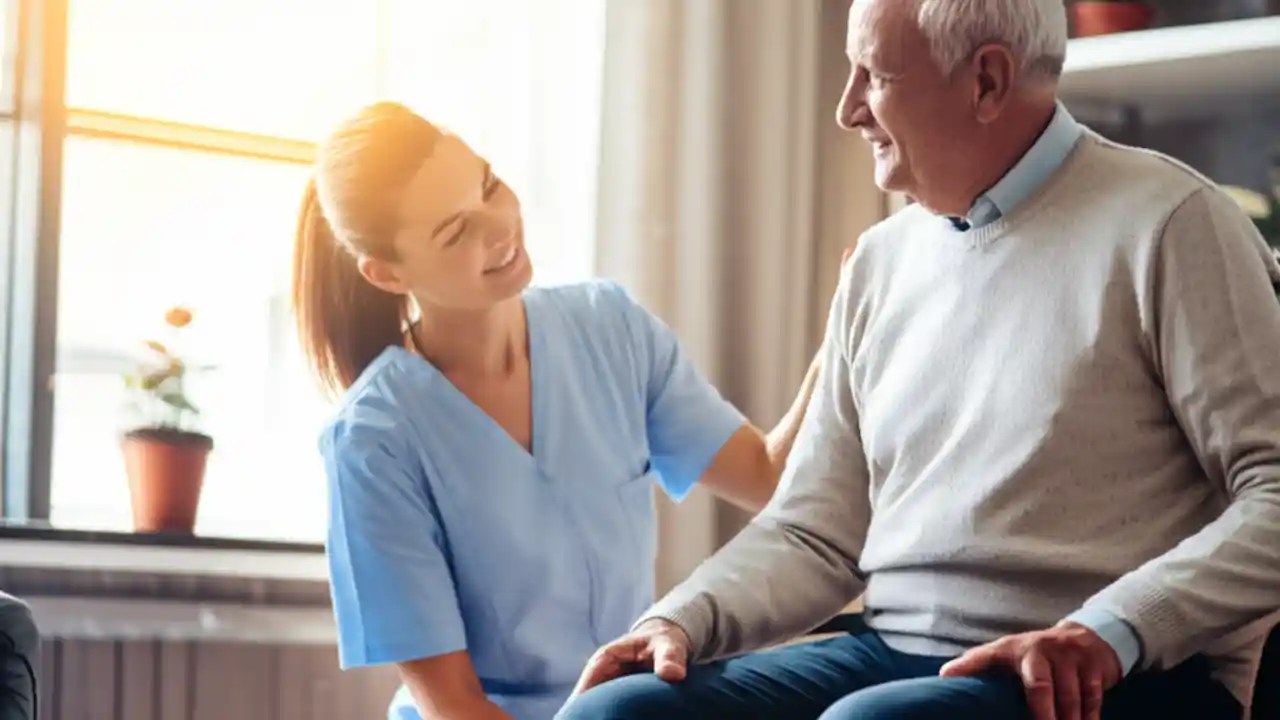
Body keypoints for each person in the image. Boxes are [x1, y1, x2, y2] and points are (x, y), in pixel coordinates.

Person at [560, 0, 1280, 719]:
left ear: (986, 81)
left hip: (1111, 674)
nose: (847, 110)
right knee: (617, 712)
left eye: (874, 76)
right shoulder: (881, 261)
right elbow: (815, 532)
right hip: (897, 651)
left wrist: (1110, 631)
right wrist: (681, 618)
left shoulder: (1173, 224)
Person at [290, 102, 824, 720]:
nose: (499, 226)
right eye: (456, 231)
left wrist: (847, 330)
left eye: (489, 185)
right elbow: (454, 705)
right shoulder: (372, 442)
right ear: (387, 274)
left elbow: (766, 475)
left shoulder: (611, 329)